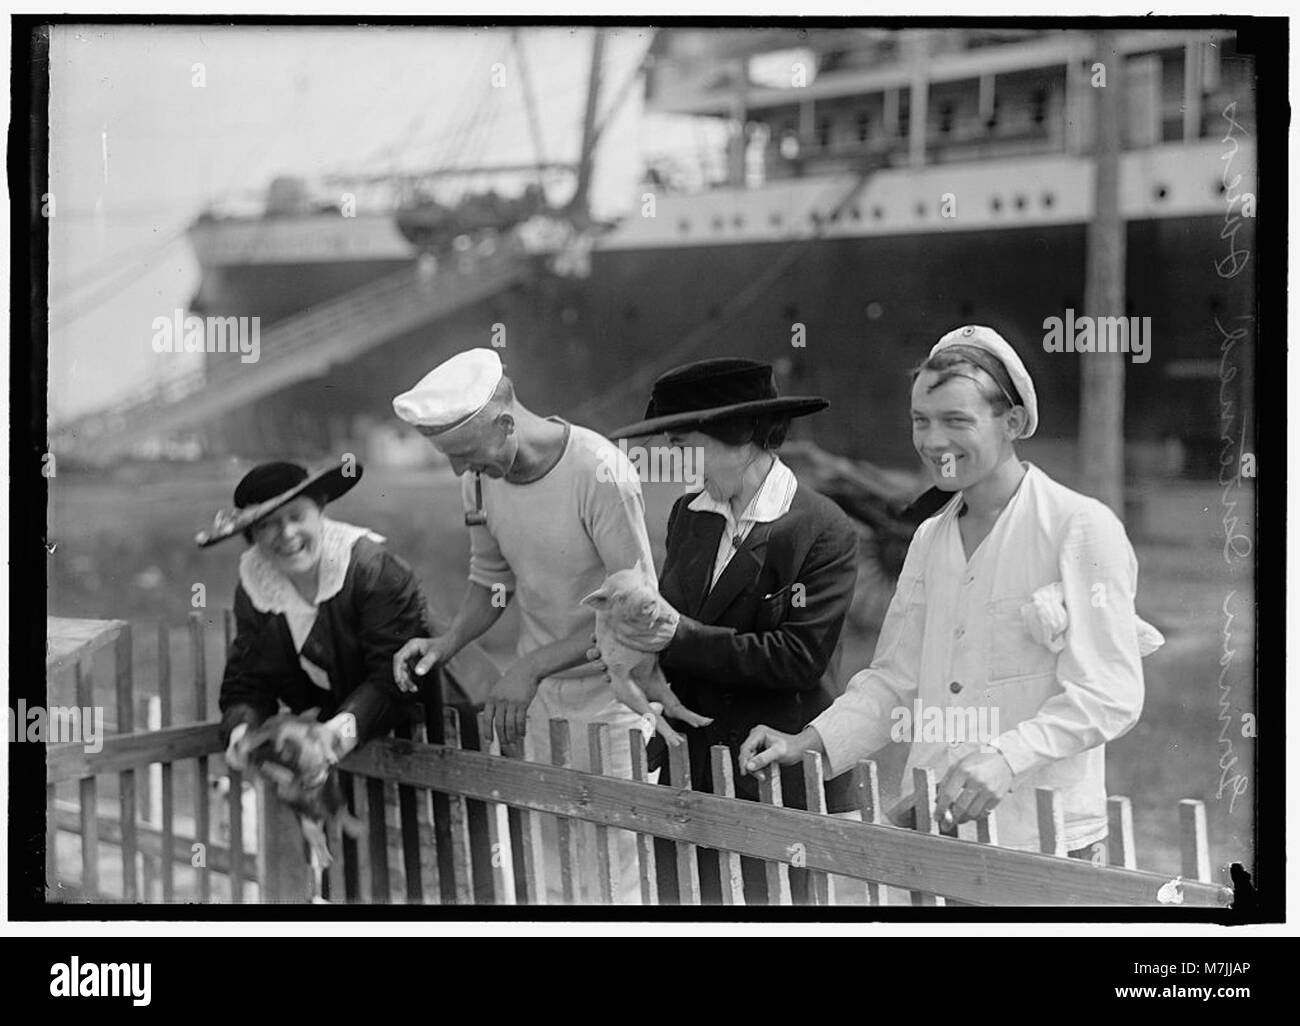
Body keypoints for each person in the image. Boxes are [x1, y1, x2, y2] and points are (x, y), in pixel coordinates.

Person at [740, 325, 1156, 862]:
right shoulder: (930, 539)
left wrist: (1007, 757)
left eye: (957, 421)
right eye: (921, 421)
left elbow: (1110, 694)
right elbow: (893, 681)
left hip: (1045, 845)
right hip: (938, 834)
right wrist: (810, 742)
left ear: (1012, 422)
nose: (935, 441)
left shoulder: (1079, 527)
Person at [390, 348, 657, 904]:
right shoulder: (481, 482)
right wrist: (448, 641)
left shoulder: (600, 471)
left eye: (465, 454)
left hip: (613, 705)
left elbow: (637, 617)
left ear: (506, 423)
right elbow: (492, 580)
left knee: (618, 878)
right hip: (539, 706)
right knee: (549, 870)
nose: (461, 471)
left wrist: (530, 665)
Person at [606, 357, 859, 904]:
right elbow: (674, 622)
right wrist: (632, 650)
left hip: (774, 774)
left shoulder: (820, 528)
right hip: (691, 769)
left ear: (739, 435)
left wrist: (674, 636)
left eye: (682, 442)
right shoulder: (688, 515)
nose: (674, 456)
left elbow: (797, 658)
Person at [201, 460, 430, 778]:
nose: (286, 534)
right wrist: (244, 732)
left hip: (431, 731)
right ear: (252, 535)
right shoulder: (257, 586)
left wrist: (334, 735)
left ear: (320, 512)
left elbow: (397, 677)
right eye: (267, 524)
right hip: (348, 751)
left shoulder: (371, 570)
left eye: (296, 517)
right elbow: (249, 680)